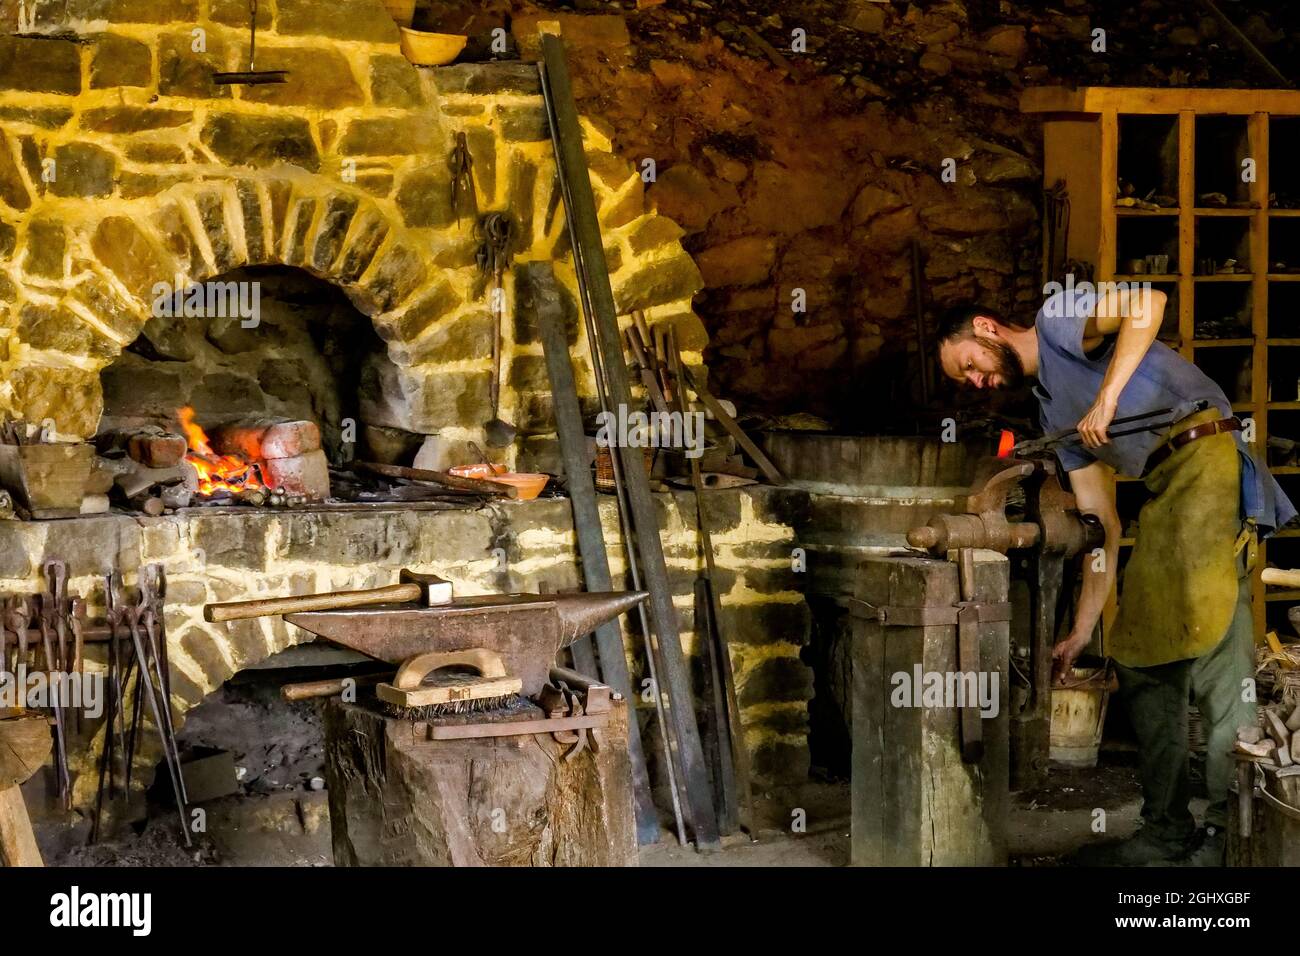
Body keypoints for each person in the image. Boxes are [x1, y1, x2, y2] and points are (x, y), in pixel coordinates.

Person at [936, 282, 1295, 866]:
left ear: (985, 328)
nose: (976, 381)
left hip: (1204, 459)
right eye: (966, 381)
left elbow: (1147, 302)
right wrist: (1080, 632)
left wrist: (1107, 397)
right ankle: (1190, 829)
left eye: (968, 365)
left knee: (1200, 658)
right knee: (1150, 655)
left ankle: (1217, 833)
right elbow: (1103, 525)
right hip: (1169, 489)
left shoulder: (1056, 318)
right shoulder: (1053, 409)